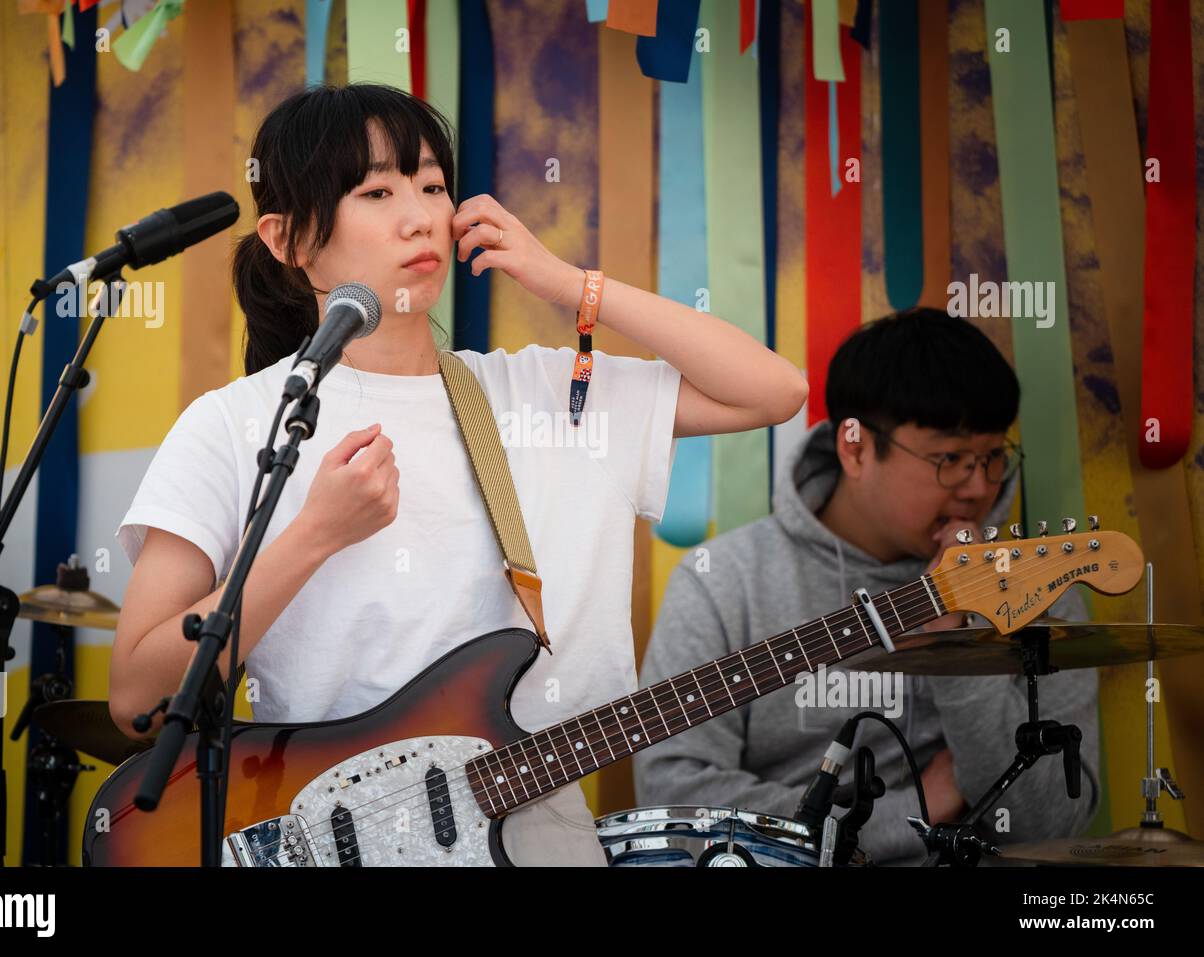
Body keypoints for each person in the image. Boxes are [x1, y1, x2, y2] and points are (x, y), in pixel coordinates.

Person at [107, 82, 808, 866]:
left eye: (433, 185)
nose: (420, 215)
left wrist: (572, 284)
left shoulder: (541, 393)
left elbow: (774, 390)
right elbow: (139, 694)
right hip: (322, 831)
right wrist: (311, 538)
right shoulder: (235, 423)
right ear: (287, 239)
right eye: (376, 191)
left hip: (532, 816)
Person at [634, 309, 1100, 864]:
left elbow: (1050, 823)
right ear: (854, 446)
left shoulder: (1037, 586)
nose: (978, 487)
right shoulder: (724, 582)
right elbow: (674, 797)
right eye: (949, 459)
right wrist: (918, 810)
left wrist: (954, 648)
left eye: (993, 456)